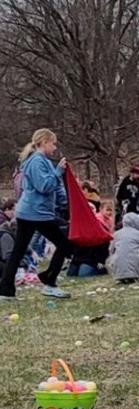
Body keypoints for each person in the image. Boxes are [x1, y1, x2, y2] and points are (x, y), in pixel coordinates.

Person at [0, 129, 73, 301]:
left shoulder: (42, 162)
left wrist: (67, 202)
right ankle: (49, 281)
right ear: (44, 142)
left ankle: (6, 289)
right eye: (53, 143)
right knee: (64, 244)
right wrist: (58, 172)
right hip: (36, 213)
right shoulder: (36, 162)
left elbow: (54, 188)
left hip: (31, 212)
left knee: (18, 250)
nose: (55, 148)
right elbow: (45, 186)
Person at [109, 213, 139, 283]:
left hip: (118, 269)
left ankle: (120, 277)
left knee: (114, 259)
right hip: (137, 267)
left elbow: (111, 249)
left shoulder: (116, 234)